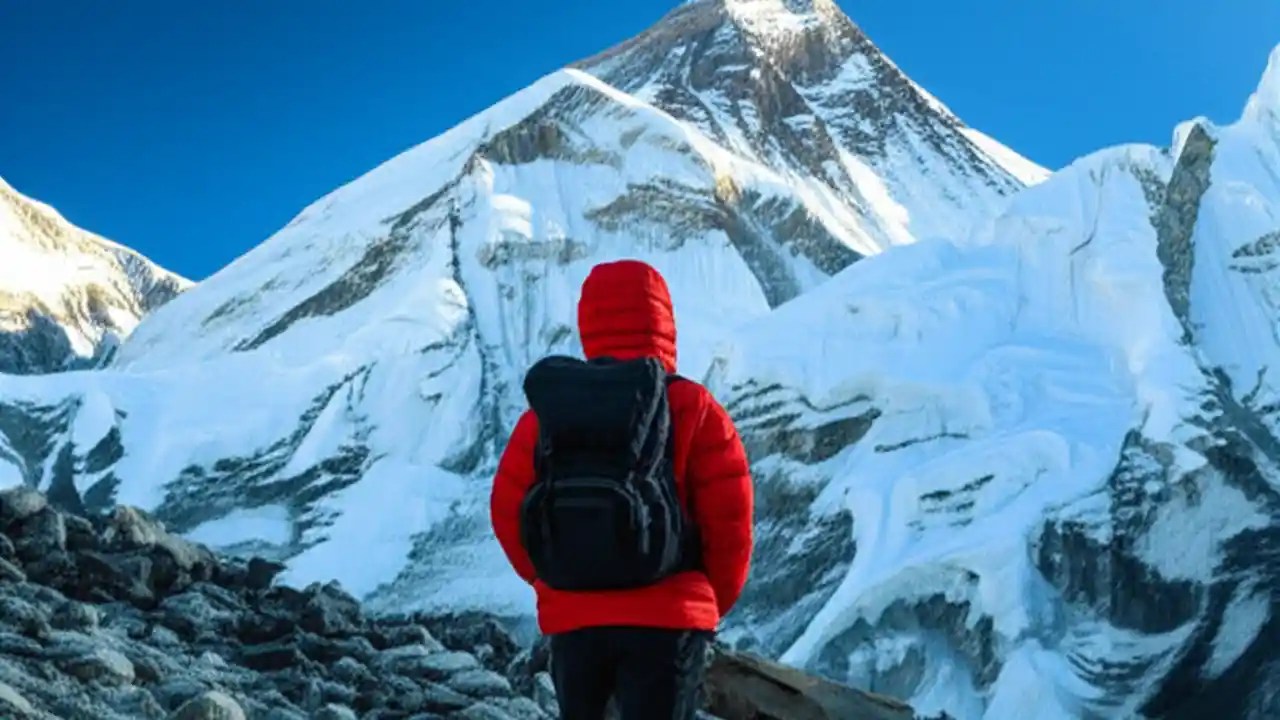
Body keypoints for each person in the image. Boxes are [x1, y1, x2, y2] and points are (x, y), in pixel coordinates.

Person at [489, 259, 755, 720]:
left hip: (574, 623)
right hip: (669, 622)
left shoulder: (550, 414)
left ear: (588, 322)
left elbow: (506, 509)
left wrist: (551, 581)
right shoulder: (694, 406)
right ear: (665, 322)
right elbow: (730, 521)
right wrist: (706, 602)